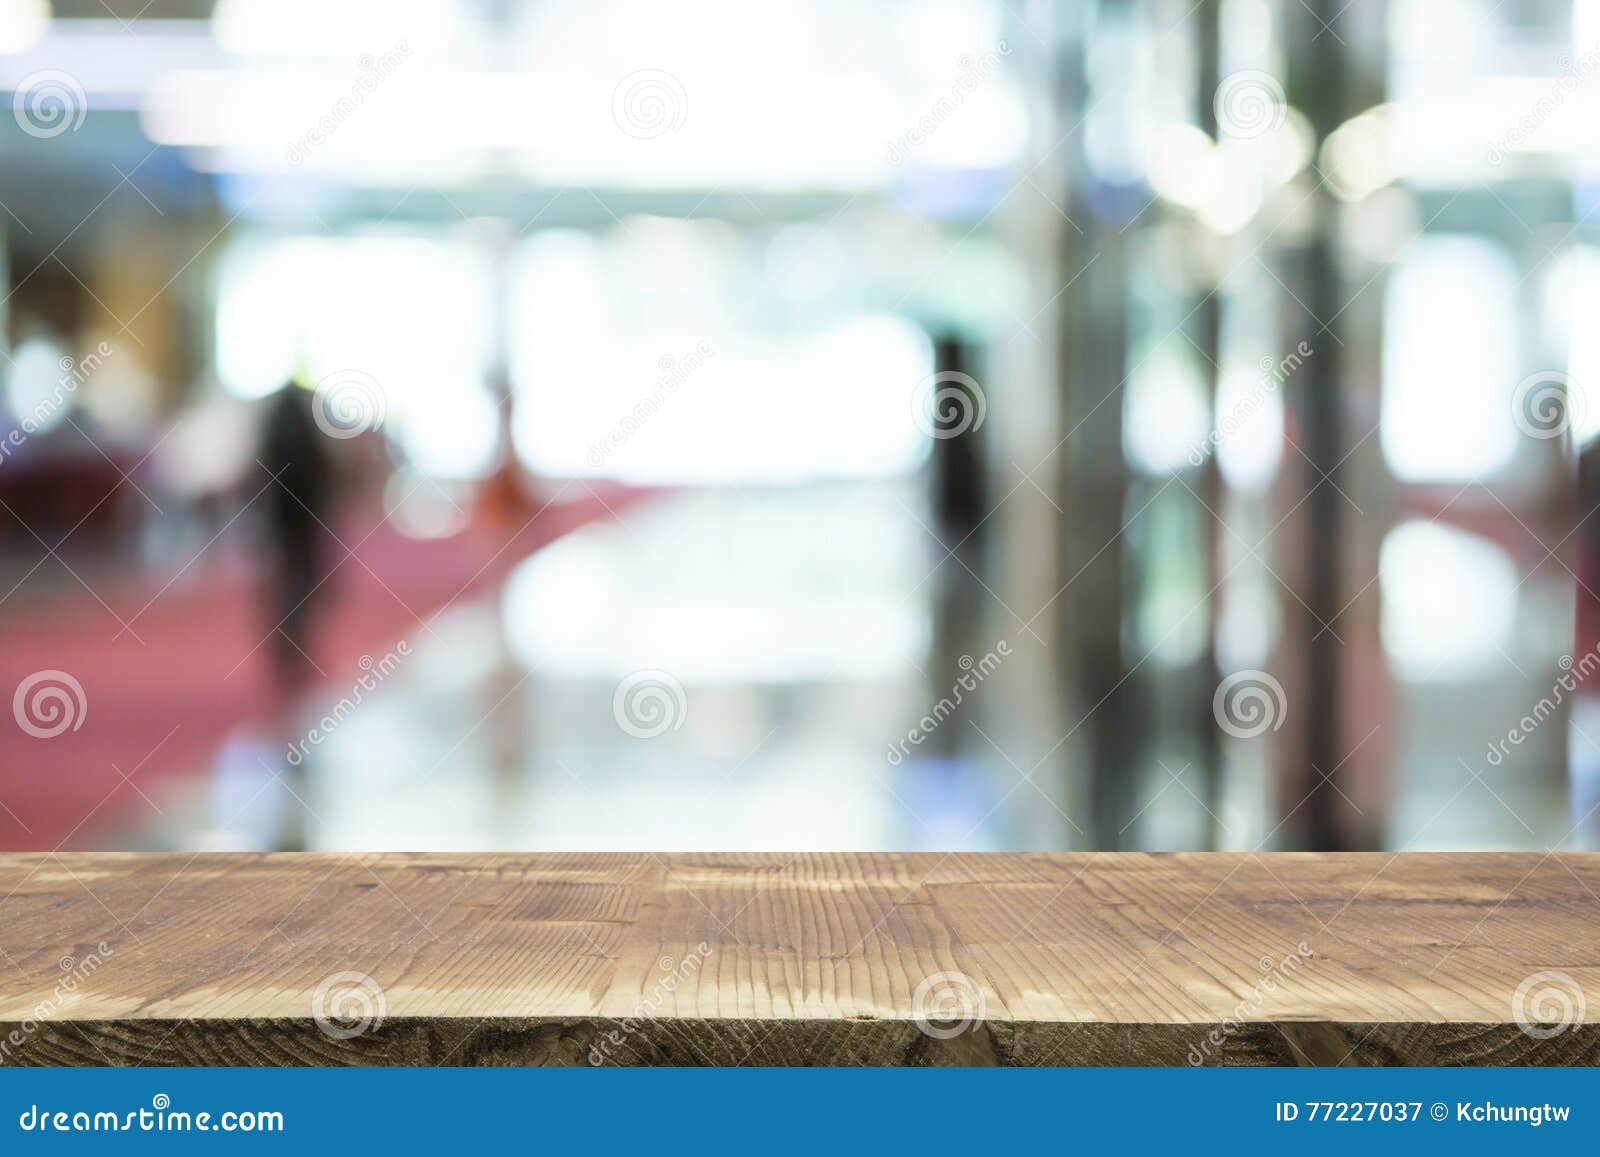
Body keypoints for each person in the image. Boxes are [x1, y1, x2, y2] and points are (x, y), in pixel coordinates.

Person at [258, 382, 334, 704]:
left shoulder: (275, 422)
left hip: (282, 521)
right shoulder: (306, 428)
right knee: (298, 587)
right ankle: (292, 643)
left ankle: (288, 644)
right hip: (302, 521)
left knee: (287, 587)